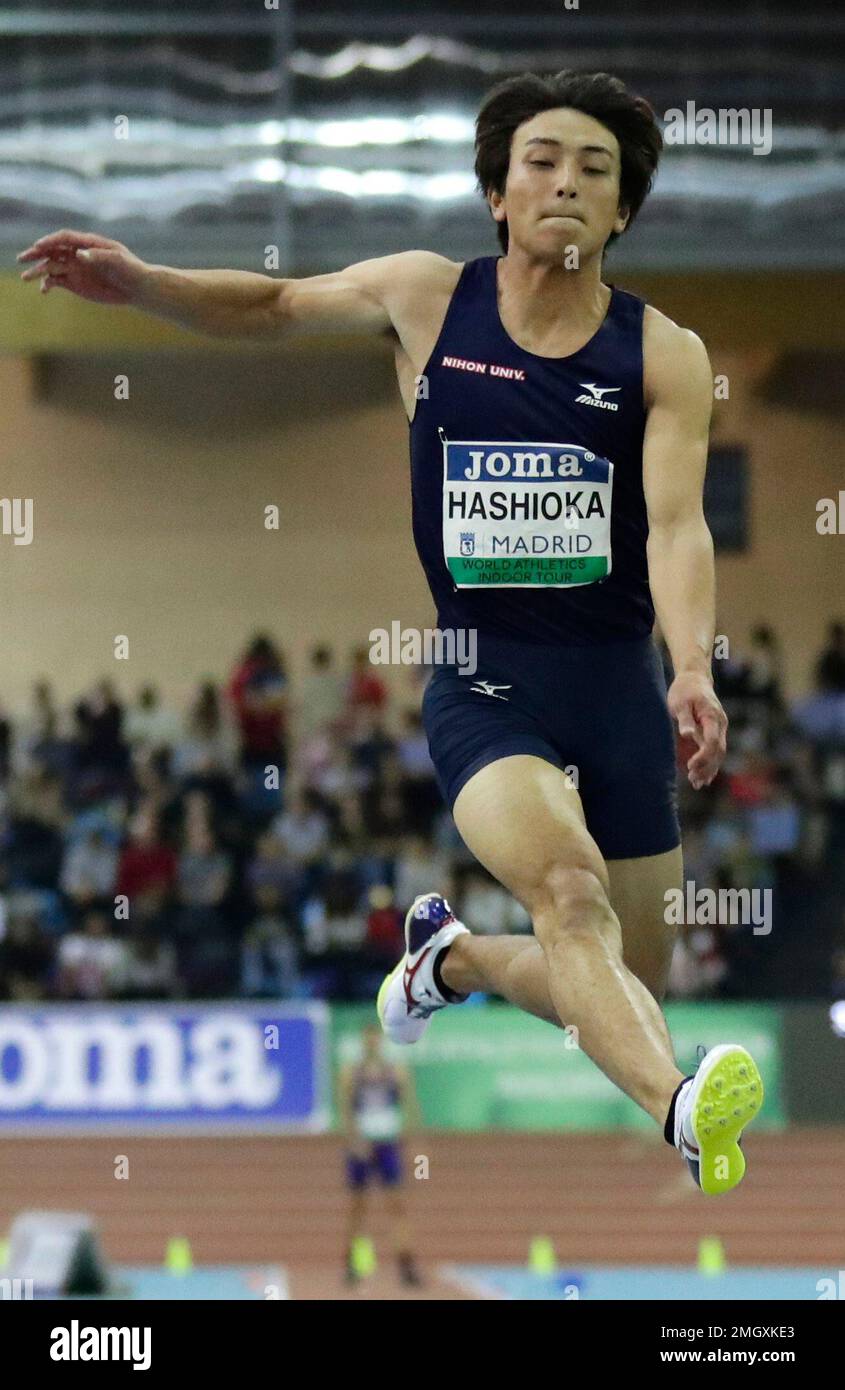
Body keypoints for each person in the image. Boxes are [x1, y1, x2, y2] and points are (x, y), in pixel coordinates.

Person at [18, 68, 763, 1194]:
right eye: (541, 163)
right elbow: (269, 309)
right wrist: (143, 284)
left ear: (620, 212)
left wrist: (693, 669)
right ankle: (676, 1109)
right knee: (567, 897)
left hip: (617, 687)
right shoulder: (424, 300)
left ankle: (449, 959)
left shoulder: (664, 354)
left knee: (623, 976)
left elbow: (673, 529)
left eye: (594, 171)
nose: (565, 183)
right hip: (486, 683)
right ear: (498, 197)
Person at [337, 1024, 422, 1287]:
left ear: (380, 1041)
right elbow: (345, 1109)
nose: (372, 1043)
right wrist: (353, 1140)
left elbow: (409, 1104)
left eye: (375, 1038)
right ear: (363, 1041)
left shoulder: (395, 1071)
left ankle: (406, 1265)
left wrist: (410, 1138)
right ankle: (350, 1264)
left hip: (387, 1143)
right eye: (368, 1038)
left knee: (396, 1205)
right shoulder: (351, 1072)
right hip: (362, 1145)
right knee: (357, 1207)